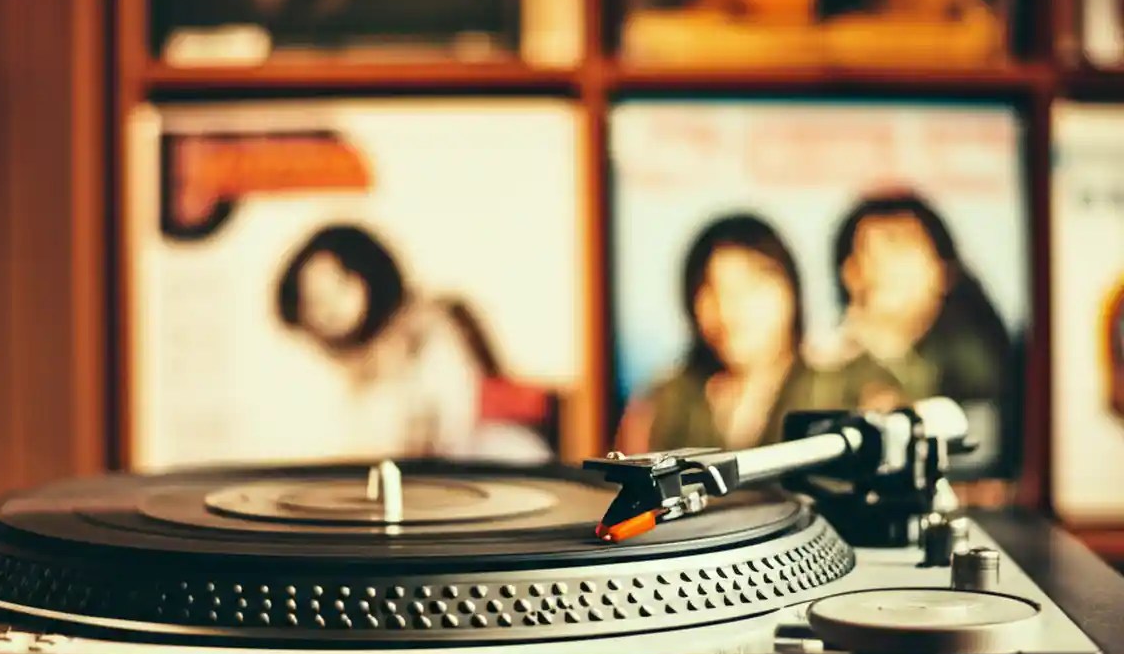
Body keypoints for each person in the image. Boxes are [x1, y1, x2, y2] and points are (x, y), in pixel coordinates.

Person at [618, 213, 900, 454]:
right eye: (711, 289)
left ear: (790, 291)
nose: (728, 308)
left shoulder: (848, 386)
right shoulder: (663, 400)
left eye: (748, 287)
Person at [273, 223, 551, 464]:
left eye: (340, 285)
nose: (332, 308)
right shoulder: (344, 370)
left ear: (366, 267)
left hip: (472, 462)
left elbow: (452, 414)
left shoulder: (426, 325)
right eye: (316, 301)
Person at [820, 191, 1010, 405]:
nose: (878, 263)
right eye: (863, 250)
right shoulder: (824, 368)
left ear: (943, 270)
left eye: (896, 245)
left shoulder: (979, 366)